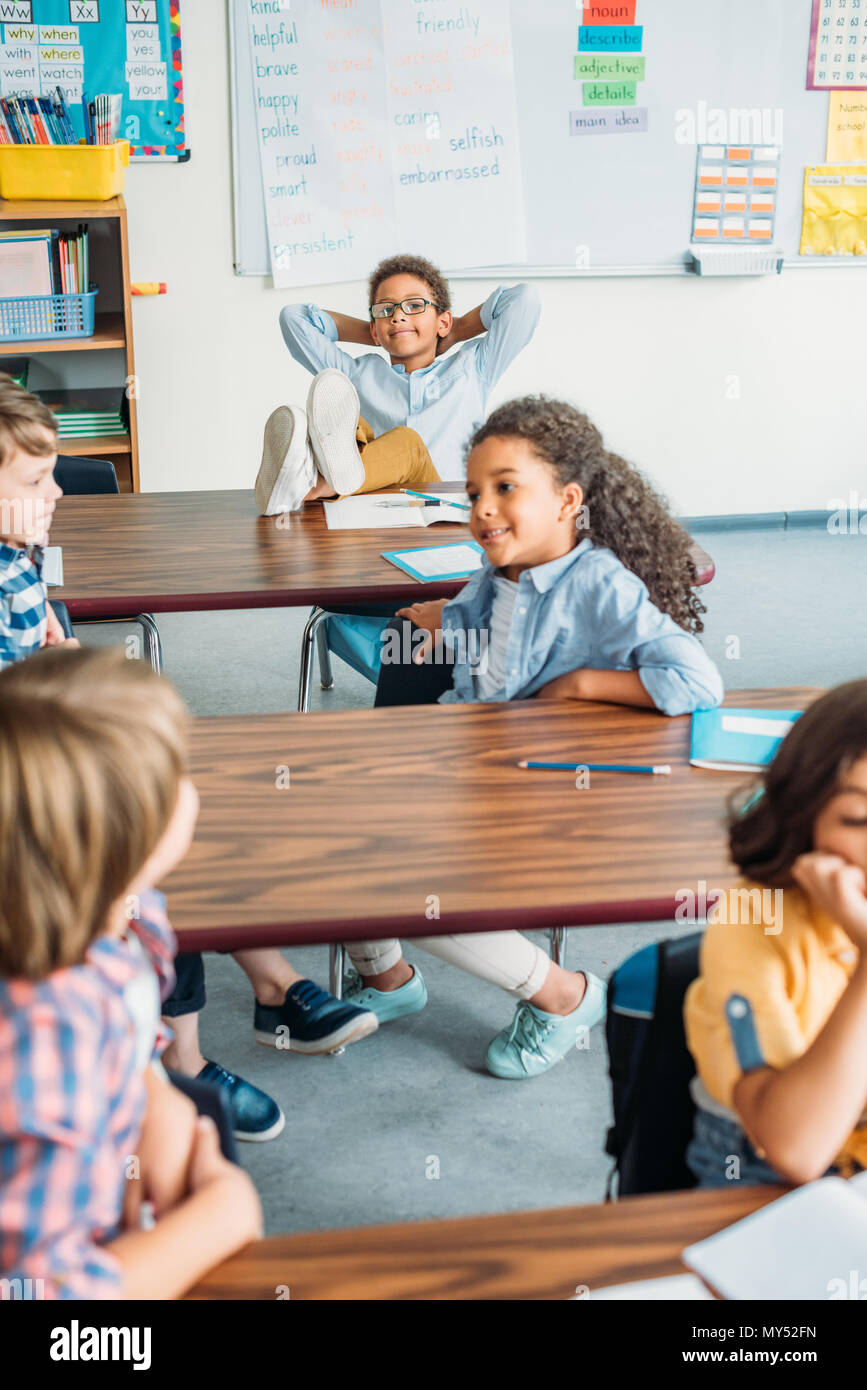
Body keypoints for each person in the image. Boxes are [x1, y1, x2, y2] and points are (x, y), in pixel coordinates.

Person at [341, 395, 724, 1079]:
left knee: (398, 873)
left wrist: (583, 686)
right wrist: (443, 624)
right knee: (335, 832)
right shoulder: (499, 573)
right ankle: (387, 978)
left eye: (505, 489)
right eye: (475, 492)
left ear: (566, 500)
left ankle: (564, 997)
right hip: (474, 756)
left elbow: (697, 682)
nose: (482, 507)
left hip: (540, 795)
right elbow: (481, 656)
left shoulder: (598, 583)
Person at [0, 646, 262, 1298]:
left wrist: (151, 1093)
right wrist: (221, 1217)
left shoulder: (125, 912)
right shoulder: (43, 1040)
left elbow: (133, 1017)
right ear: (133, 837)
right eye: (177, 774)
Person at [685, 681, 867, 1186]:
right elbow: (796, 1148)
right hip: (768, 1179)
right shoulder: (755, 921)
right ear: (804, 820)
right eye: (859, 819)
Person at [255, 252, 541, 511]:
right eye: (386, 310)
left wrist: (455, 331)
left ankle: (311, 482)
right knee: (347, 415)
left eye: (414, 306)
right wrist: (377, 334)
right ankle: (306, 468)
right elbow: (293, 319)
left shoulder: (472, 369)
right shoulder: (358, 374)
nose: (399, 316)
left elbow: (523, 300)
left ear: (443, 322)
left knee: (408, 442)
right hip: (378, 505)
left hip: (445, 505)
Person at [0, 372, 78, 668]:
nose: (56, 491)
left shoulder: (17, 538)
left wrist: (39, 607)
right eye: (35, 481)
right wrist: (54, 674)